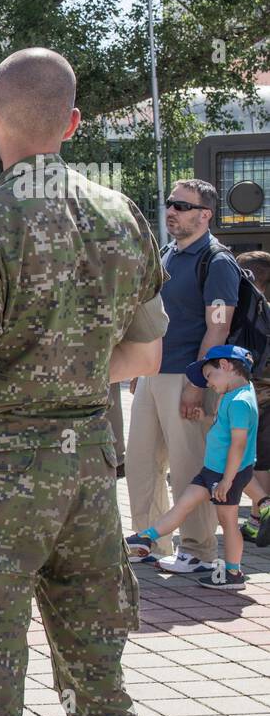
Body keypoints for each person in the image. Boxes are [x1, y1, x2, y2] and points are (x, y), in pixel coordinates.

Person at [0, 47, 166, 716]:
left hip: (2, 474)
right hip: (89, 466)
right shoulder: (122, 214)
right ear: (75, 122)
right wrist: (75, 377)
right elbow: (146, 355)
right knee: (98, 671)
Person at [125, 180, 240, 572]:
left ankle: (199, 551)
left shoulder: (218, 261)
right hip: (154, 373)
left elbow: (218, 327)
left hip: (187, 378)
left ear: (204, 214)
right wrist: (141, 367)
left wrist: (196, 382)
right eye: (169, 203)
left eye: (181, 206)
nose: (171, 211)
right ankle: (149, 542)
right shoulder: (169, 251)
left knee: (189, 465)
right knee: (141, 463)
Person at [126, 346, 255, 590]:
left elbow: (239, 445)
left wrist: (228, 480)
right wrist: (205, 418)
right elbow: (221, 427)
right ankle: (147, 538)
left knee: (228, 524)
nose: (209, 383)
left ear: (226, 367)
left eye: (209, 377)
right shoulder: (231, 397)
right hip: (211, 473)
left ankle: (232, 572)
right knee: (184, 504)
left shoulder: (240, 402)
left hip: (226, 475)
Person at [234, 250, 270, 547]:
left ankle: (263, 512)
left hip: (257, 399)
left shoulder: (254, 313)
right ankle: (259, 519)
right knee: (263, 462)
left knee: (252, 461)